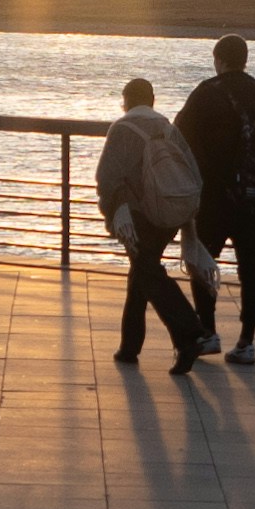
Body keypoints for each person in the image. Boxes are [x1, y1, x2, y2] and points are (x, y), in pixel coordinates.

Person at [176, 35, 255, 366]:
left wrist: (199, 177)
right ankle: (246, 341)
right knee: (252, 268)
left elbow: (180, 136)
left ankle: (208, 332)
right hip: (254, 199)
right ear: (245, 60)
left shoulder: (207, 93)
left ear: (218, 59)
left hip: (214, 197)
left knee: (202, 262)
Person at [94, 77, 212, 373]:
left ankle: (190, 334)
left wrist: (113, 214)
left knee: (148, 272)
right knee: (142, 271)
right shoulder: (168, 127)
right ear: (153, 100)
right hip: (169, 214)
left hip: (137, 217)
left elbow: (106, 177)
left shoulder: (121, 128)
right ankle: (129, 347)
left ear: (126, 101)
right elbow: (192, 172)